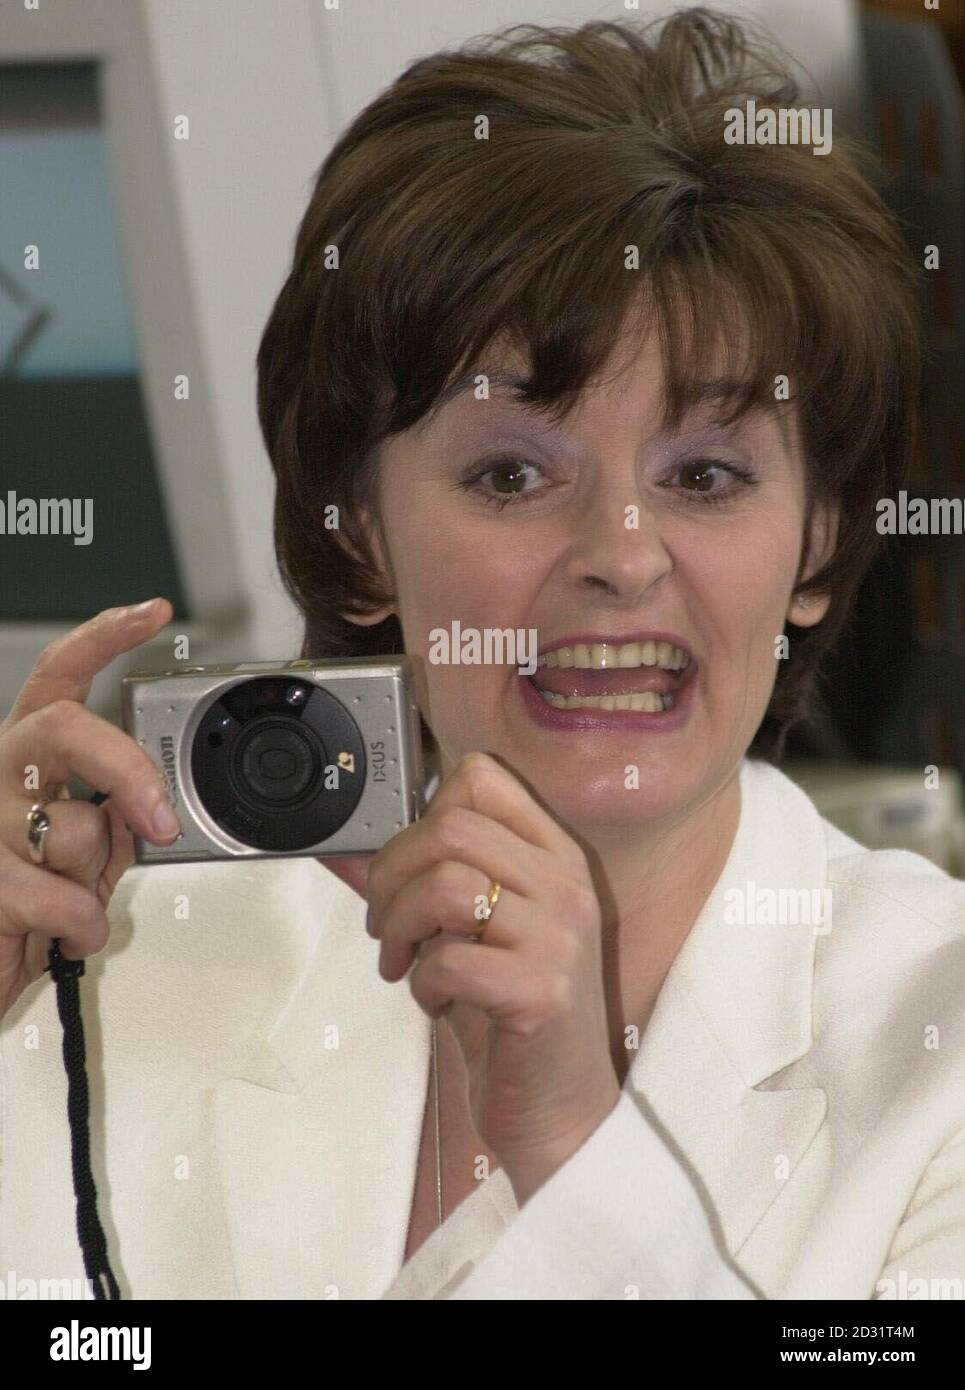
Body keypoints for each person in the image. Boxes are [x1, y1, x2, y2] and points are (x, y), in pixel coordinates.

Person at [1, 9, 963, 1301]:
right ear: (358, 540)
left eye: (708, 473)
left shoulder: (936, 1044)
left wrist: (573, 1147)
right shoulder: (118, 967)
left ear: (815, 545)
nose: (621, 554)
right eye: (511, 472)